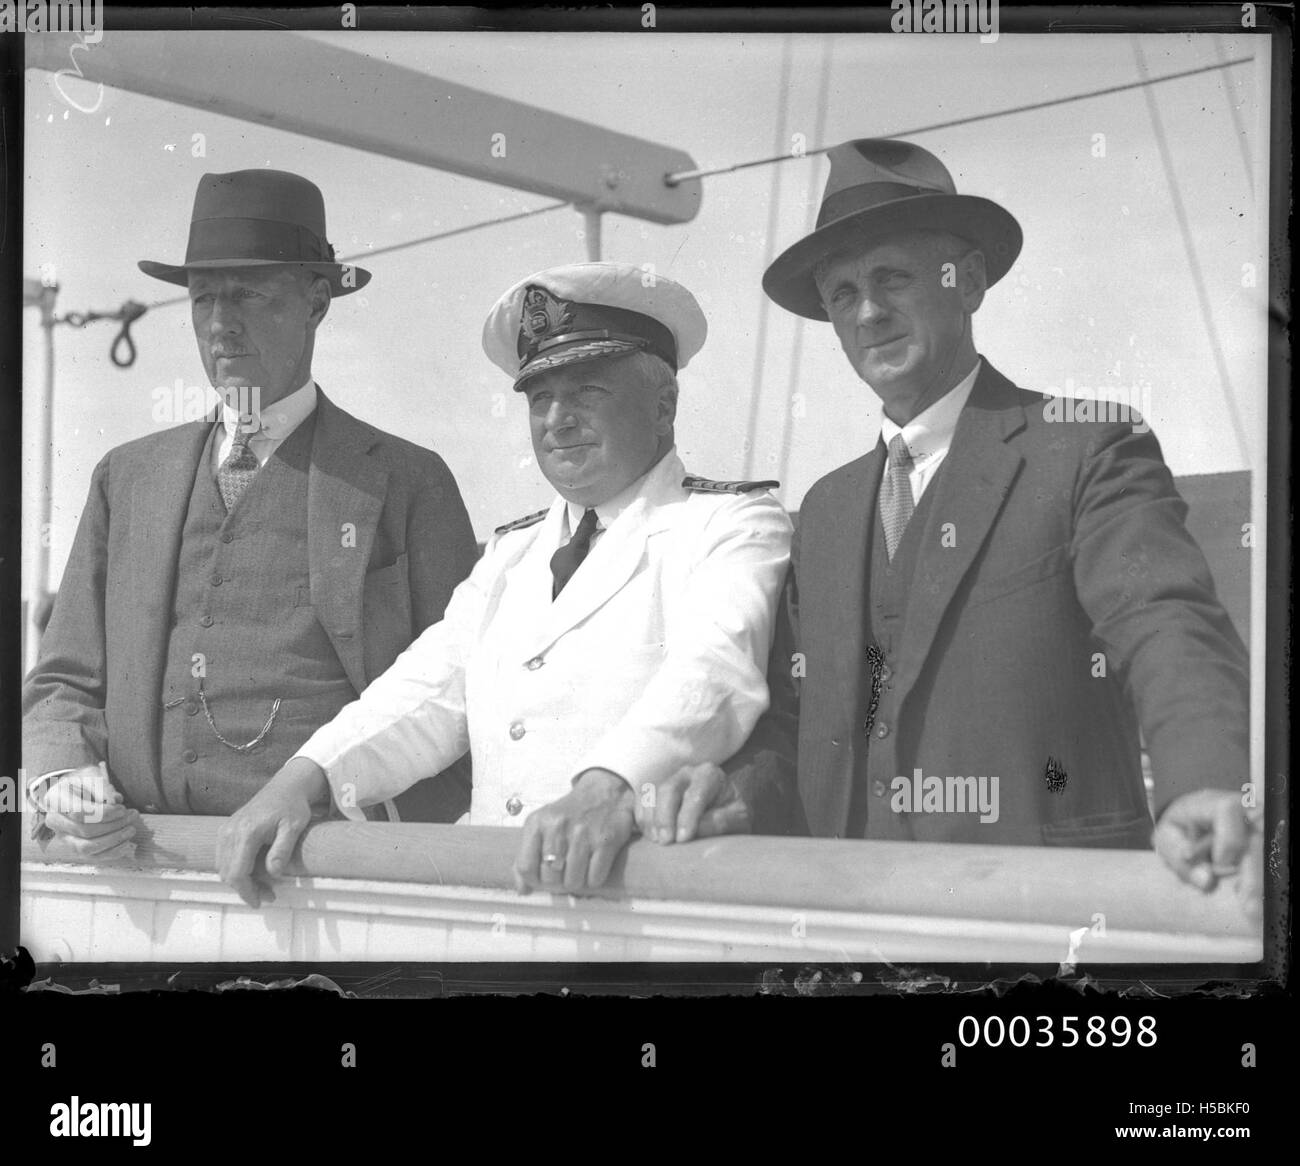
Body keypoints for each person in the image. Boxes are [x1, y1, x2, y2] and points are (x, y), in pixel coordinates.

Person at [669, 138, 1259, 910]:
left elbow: (1166, 622)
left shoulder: (1085, 446)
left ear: (969, 281)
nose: (870, 312)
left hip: (1043, 924)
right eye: (843, 293)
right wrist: (738, 792)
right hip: (854, 927)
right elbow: (793, 717)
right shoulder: (828, 509)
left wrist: (1202, 782)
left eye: (892, 278)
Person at [214, 261, 795, 904]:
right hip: (501, 901)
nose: (557, 419)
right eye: (541, 397)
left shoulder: (728, 523)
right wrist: (303, 778)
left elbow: (715, 670)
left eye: (588, 391)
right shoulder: (513, 552)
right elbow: (429, 690)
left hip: (640, 907)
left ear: (664, 405)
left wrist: (610, 787)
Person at [23, 169, 480, 857]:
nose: (219, 323)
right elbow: (63, 680)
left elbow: (459, 694)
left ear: (317, 302)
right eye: (203, 298)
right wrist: (61, 780)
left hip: (326, 880)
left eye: (248, 294)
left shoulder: (410, 482)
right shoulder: (128, 479)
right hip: (143, 865)